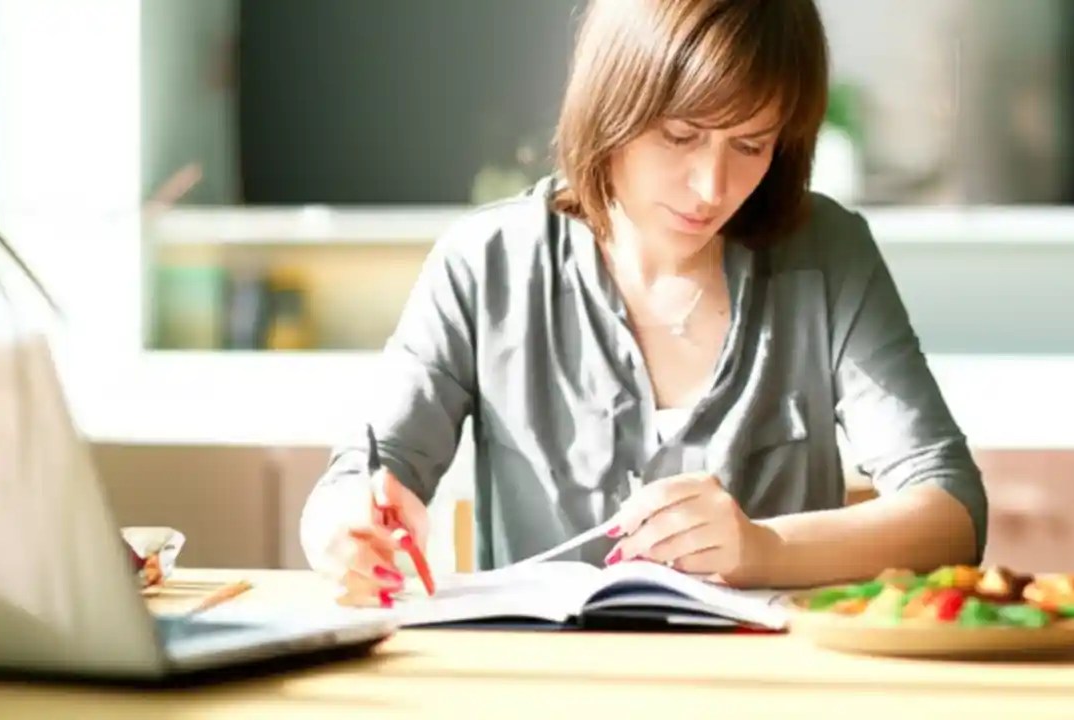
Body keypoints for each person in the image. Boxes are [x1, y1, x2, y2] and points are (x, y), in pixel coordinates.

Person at [300, 0, 987, 606]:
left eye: (751, 145)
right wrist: (342, 532)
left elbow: (952, 510)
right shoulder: (486, 263)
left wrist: (763, 550)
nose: (711, 186)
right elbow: (359, 476)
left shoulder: (827, 254)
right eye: (681, 136)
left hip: (775, 690)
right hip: (540, 689)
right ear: (611, 106)